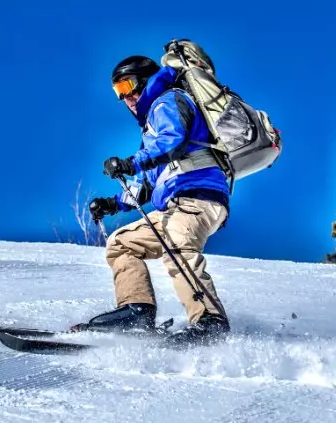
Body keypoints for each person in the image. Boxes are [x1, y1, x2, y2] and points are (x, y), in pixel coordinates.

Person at [78, 55, 231, 346]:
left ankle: (210, 321)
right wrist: (113, 204)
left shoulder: (167, 101)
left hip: (197, 196)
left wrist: (131, 162)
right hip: (176, 205)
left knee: (177, 245)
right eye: (118, 92)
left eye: (128, 86)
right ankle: (137, 310)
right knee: (122, 243)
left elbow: (173, 141)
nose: (126, 97)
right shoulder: (150, 127)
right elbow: (147, 185)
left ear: (146, 80)